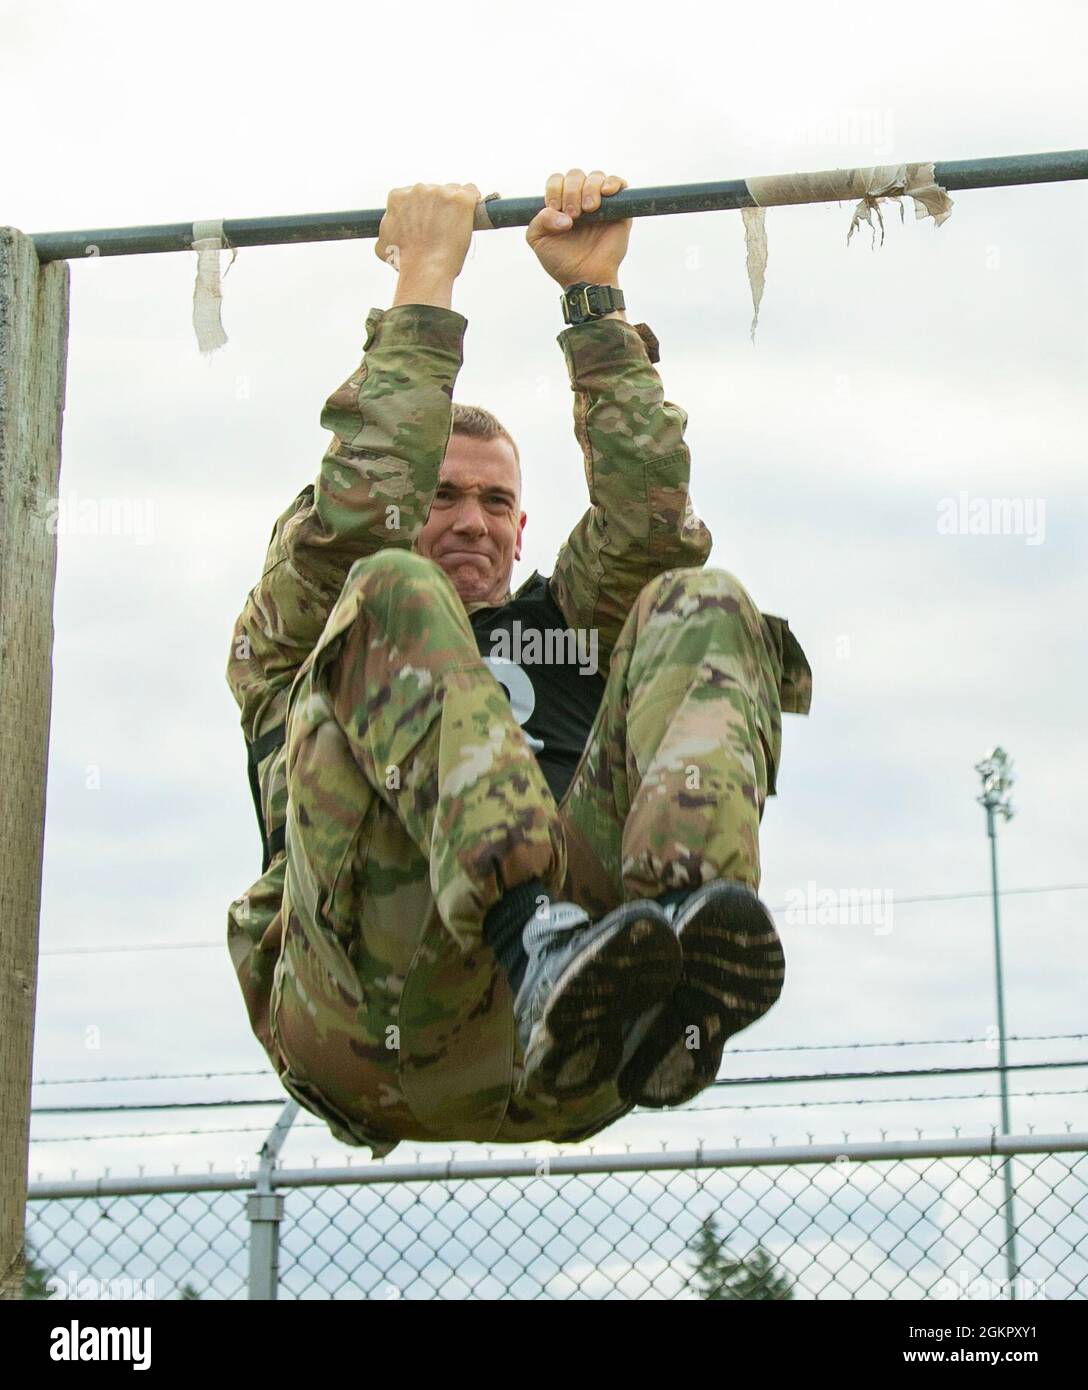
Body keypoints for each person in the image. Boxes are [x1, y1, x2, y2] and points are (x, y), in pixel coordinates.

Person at [226, 169, 812, 1159]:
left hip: (584, 1041)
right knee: (390, 587)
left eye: (494, 502)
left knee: (699, 598)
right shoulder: (309, 628)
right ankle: (530, 933)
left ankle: (676, 947)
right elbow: (358, 520)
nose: (468, 521)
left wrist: (592, 302)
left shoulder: (562, 625)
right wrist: (423, 282)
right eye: (442, 496)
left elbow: (647, 522)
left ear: (520, 523)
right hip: (373, 1016)